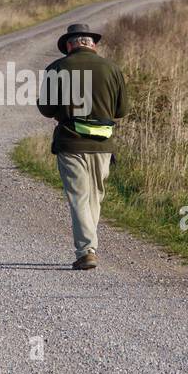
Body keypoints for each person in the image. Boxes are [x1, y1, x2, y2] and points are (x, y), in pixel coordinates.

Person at [37, 23, 128, 270]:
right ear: (92, 44)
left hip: (70, 140)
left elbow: (46, 110)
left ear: (69, 45)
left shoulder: (57, 68)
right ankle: (90, 246)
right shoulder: (113, 69)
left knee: (79, 197)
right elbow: (121, 111)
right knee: (95, 197)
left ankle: (87, 250)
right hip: (103, 144)